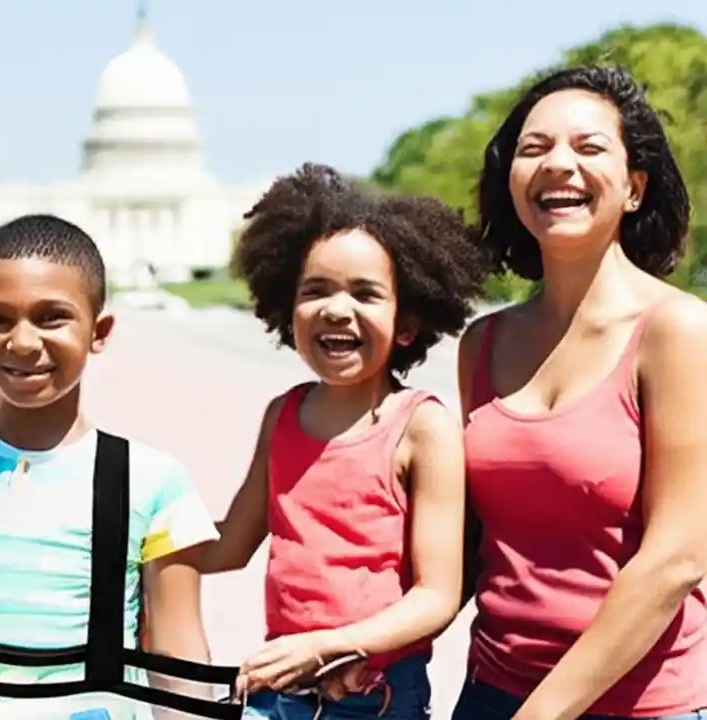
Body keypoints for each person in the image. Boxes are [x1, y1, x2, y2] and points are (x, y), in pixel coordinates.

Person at [0, 214, 221, 718]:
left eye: (51, 317)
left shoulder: (152, 483)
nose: (22, 342)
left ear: (99, 332)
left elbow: (178, 660)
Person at [455, 66, 707, 720]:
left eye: (588, 148)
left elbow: (676, 559)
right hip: (489, 693)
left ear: (633, 188)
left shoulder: (679, 332)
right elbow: (468, 546)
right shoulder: (481, 346)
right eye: (533, 149)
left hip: (640, 706)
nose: (557, 165)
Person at [201, 163, 486, 719]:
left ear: (406, 323)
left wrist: (324, 646)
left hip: (374, 697)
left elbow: (436, 596)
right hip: (277, 692)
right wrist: (135, 538)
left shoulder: (423, 427)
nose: (337, 308)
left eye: (366, 294)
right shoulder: (282, 415)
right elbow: (230, 546)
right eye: (316, 291)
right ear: (288, 309)